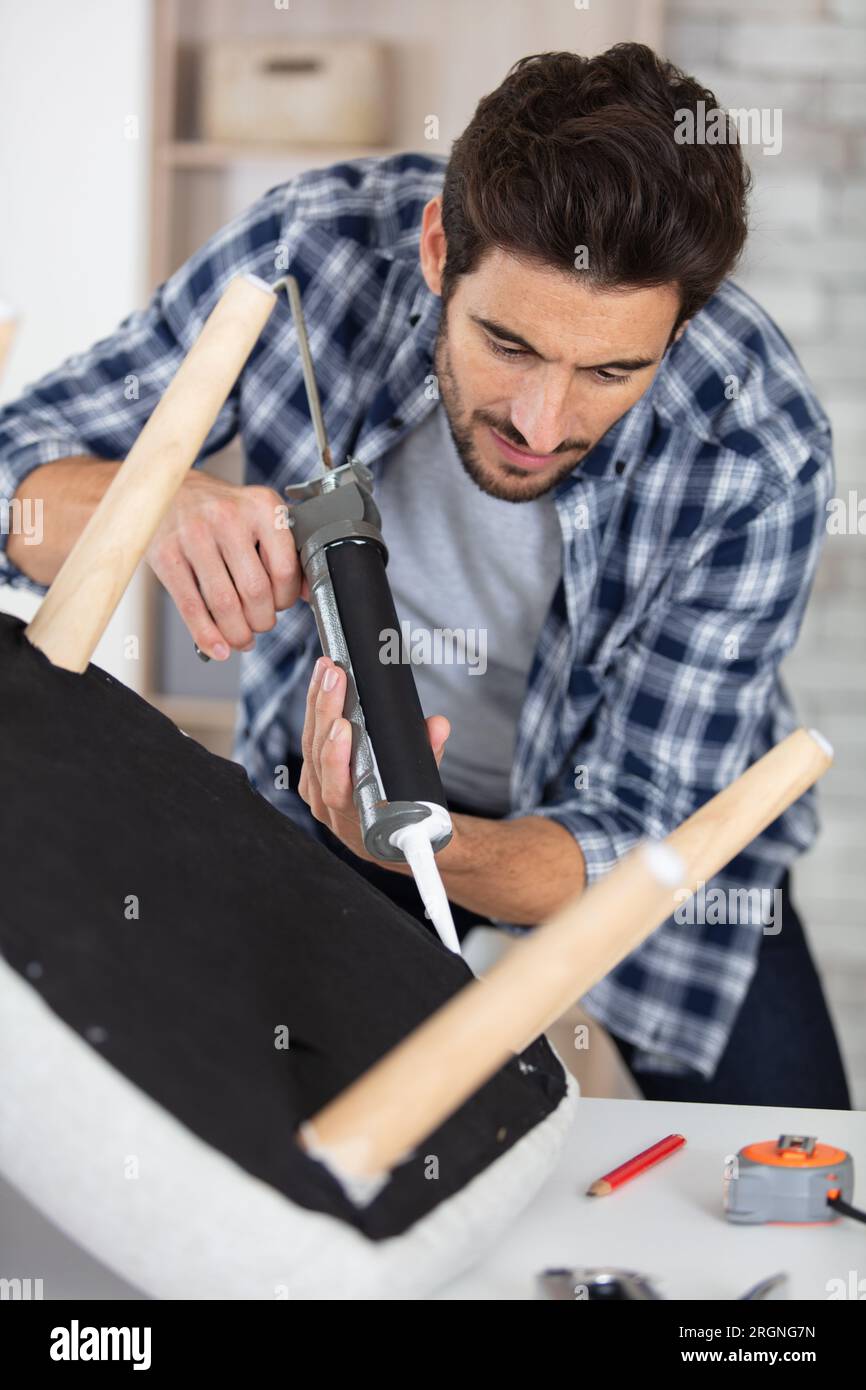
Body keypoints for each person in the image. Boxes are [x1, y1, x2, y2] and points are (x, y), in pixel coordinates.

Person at [0, 46, 849, 1109]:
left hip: (634, 848)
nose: (541, 424)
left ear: (676, 327)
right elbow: (12, 469)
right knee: (298, 1156)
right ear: (438, 247)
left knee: (802, 1185)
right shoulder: (307, 250)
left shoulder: (757, 449)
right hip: (331, 802)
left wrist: (419, 847)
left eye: (609, 372)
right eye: (507, 342)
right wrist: (154, 500)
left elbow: (638, 838)